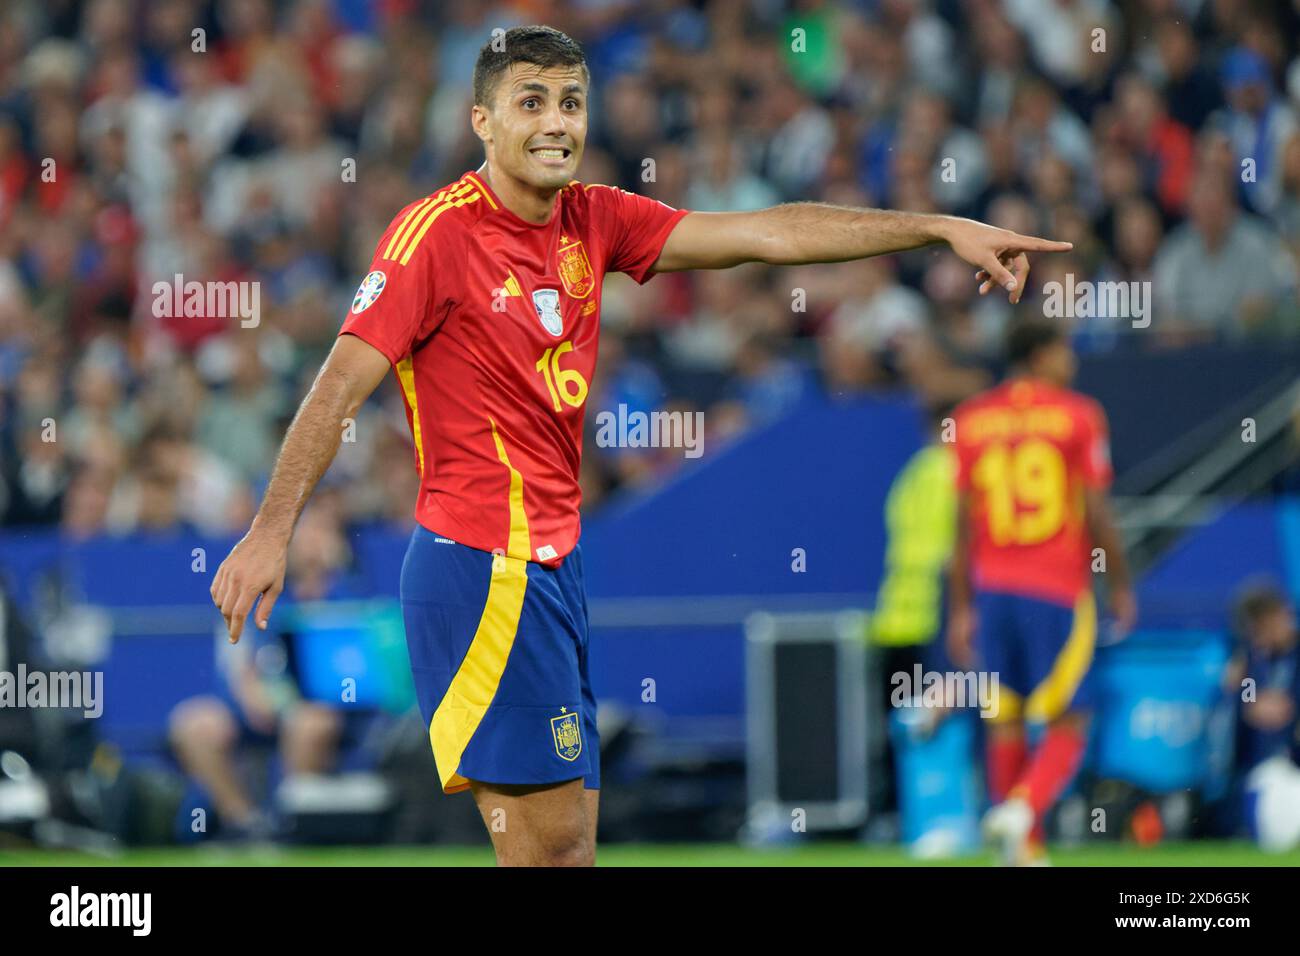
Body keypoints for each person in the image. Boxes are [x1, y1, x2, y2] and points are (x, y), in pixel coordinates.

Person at [209, 25, 1074, 867]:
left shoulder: (597, 219)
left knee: (567, 850)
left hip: (553, 568)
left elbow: (766, 233)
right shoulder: (434, 236)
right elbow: (337, 385)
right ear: (483, 121)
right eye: (533, 101)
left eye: (573, 103)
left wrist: (935, 226)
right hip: (482, 568)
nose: (557, 122)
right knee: (545, 851)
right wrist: (271, 529)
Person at [947, 317, 1135, 865]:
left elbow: (963, 525)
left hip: (991, 587)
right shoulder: (1078, 414)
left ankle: (1021, 848)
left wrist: (960, 607)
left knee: (1004, 716)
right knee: (1072, 715)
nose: (1071, 361)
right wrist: (1119, 583)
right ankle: (1026, 809)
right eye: (1064, 349)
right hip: (1055, 585)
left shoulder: (971, 419)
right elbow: (1098, 509)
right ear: (1042, 354)